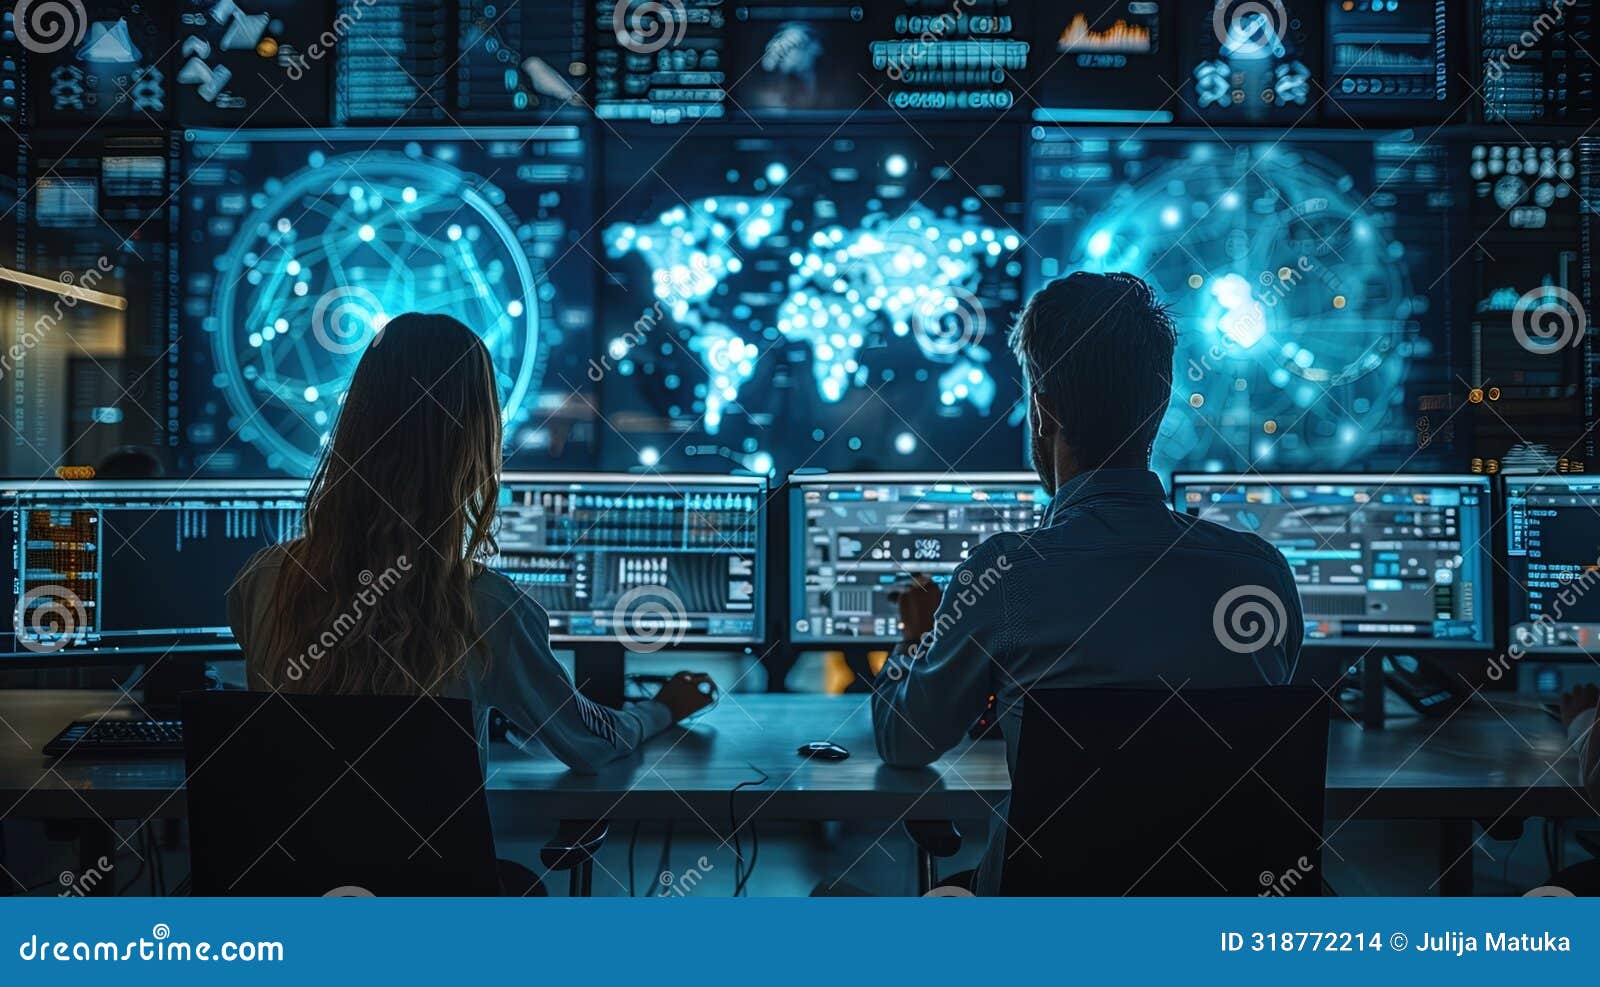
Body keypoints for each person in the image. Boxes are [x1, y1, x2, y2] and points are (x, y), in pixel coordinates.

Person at [871, 271, 1333, 895]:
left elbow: (907, 742)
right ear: (1162, 402)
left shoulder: (1001, 577)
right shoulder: (1260, 574)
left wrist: (917, 639)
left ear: (1045, 408)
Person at [227, 313, 715, 776]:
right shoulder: (486, 608)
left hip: (290, 864)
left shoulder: (260, 582)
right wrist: (662, 709)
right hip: (433, 867)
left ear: (352, 424)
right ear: (473, 446)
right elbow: (592, 744)